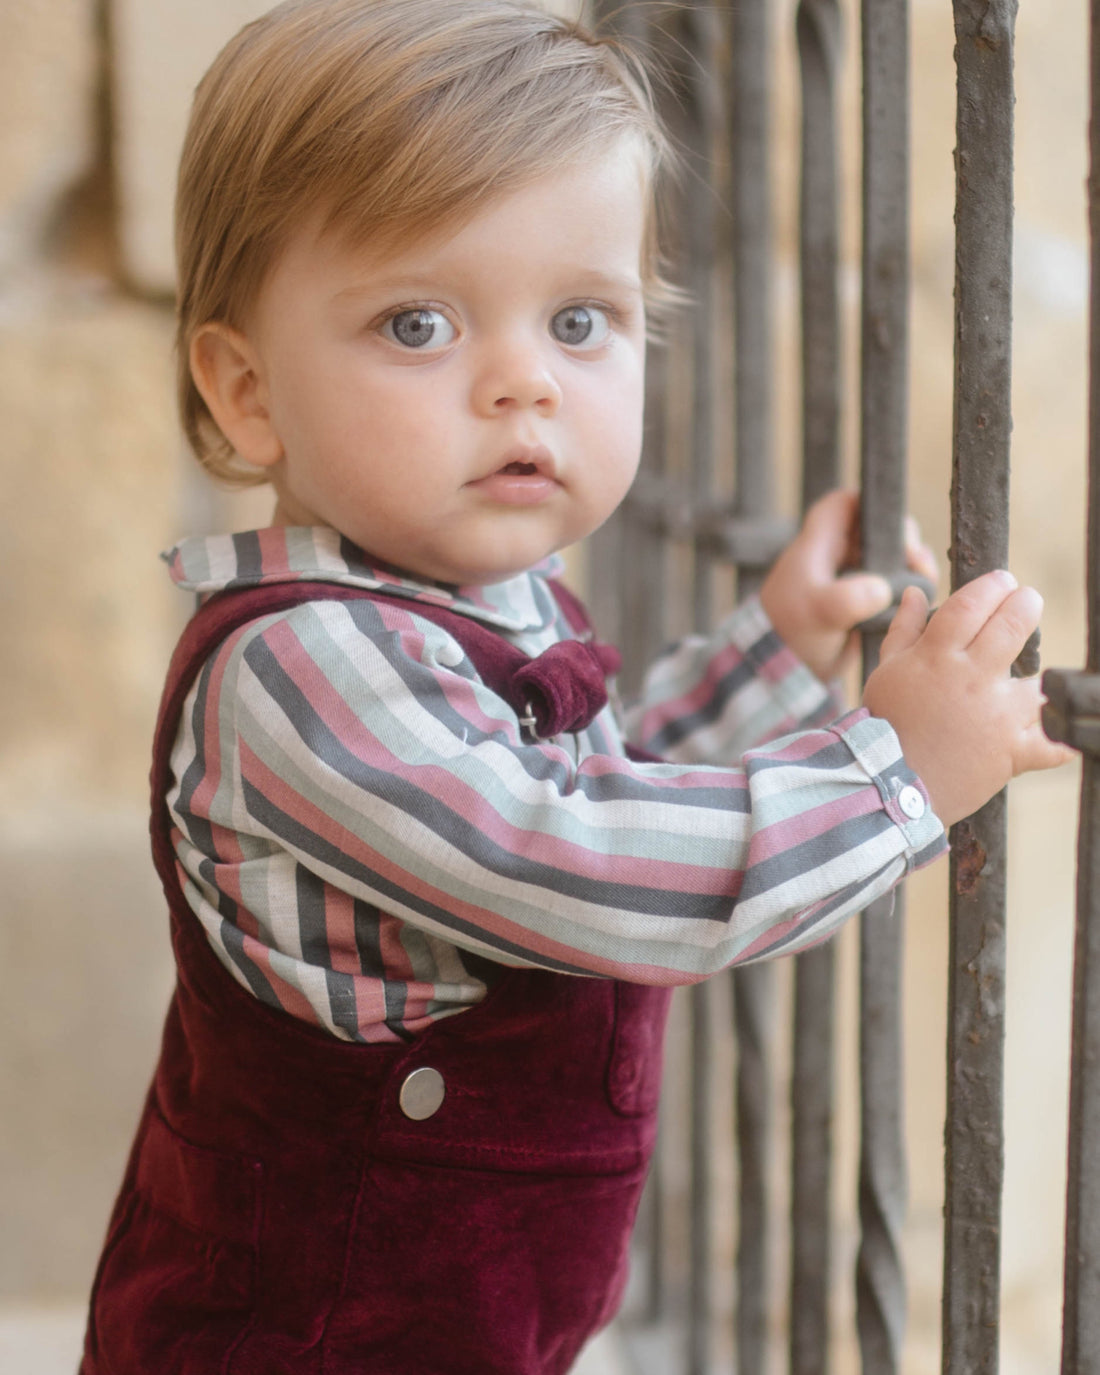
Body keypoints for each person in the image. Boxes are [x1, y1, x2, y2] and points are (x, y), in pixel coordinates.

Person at [79, 2, 1072, 1372]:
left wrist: (774, 647)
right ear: (248, 392)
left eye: (582, 319)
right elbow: (571, 863)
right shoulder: (301, 670)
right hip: (308, 1338)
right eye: (419, 323)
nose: (523, 385)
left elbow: (586, 782)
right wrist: (895, 774)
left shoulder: (481, 598)